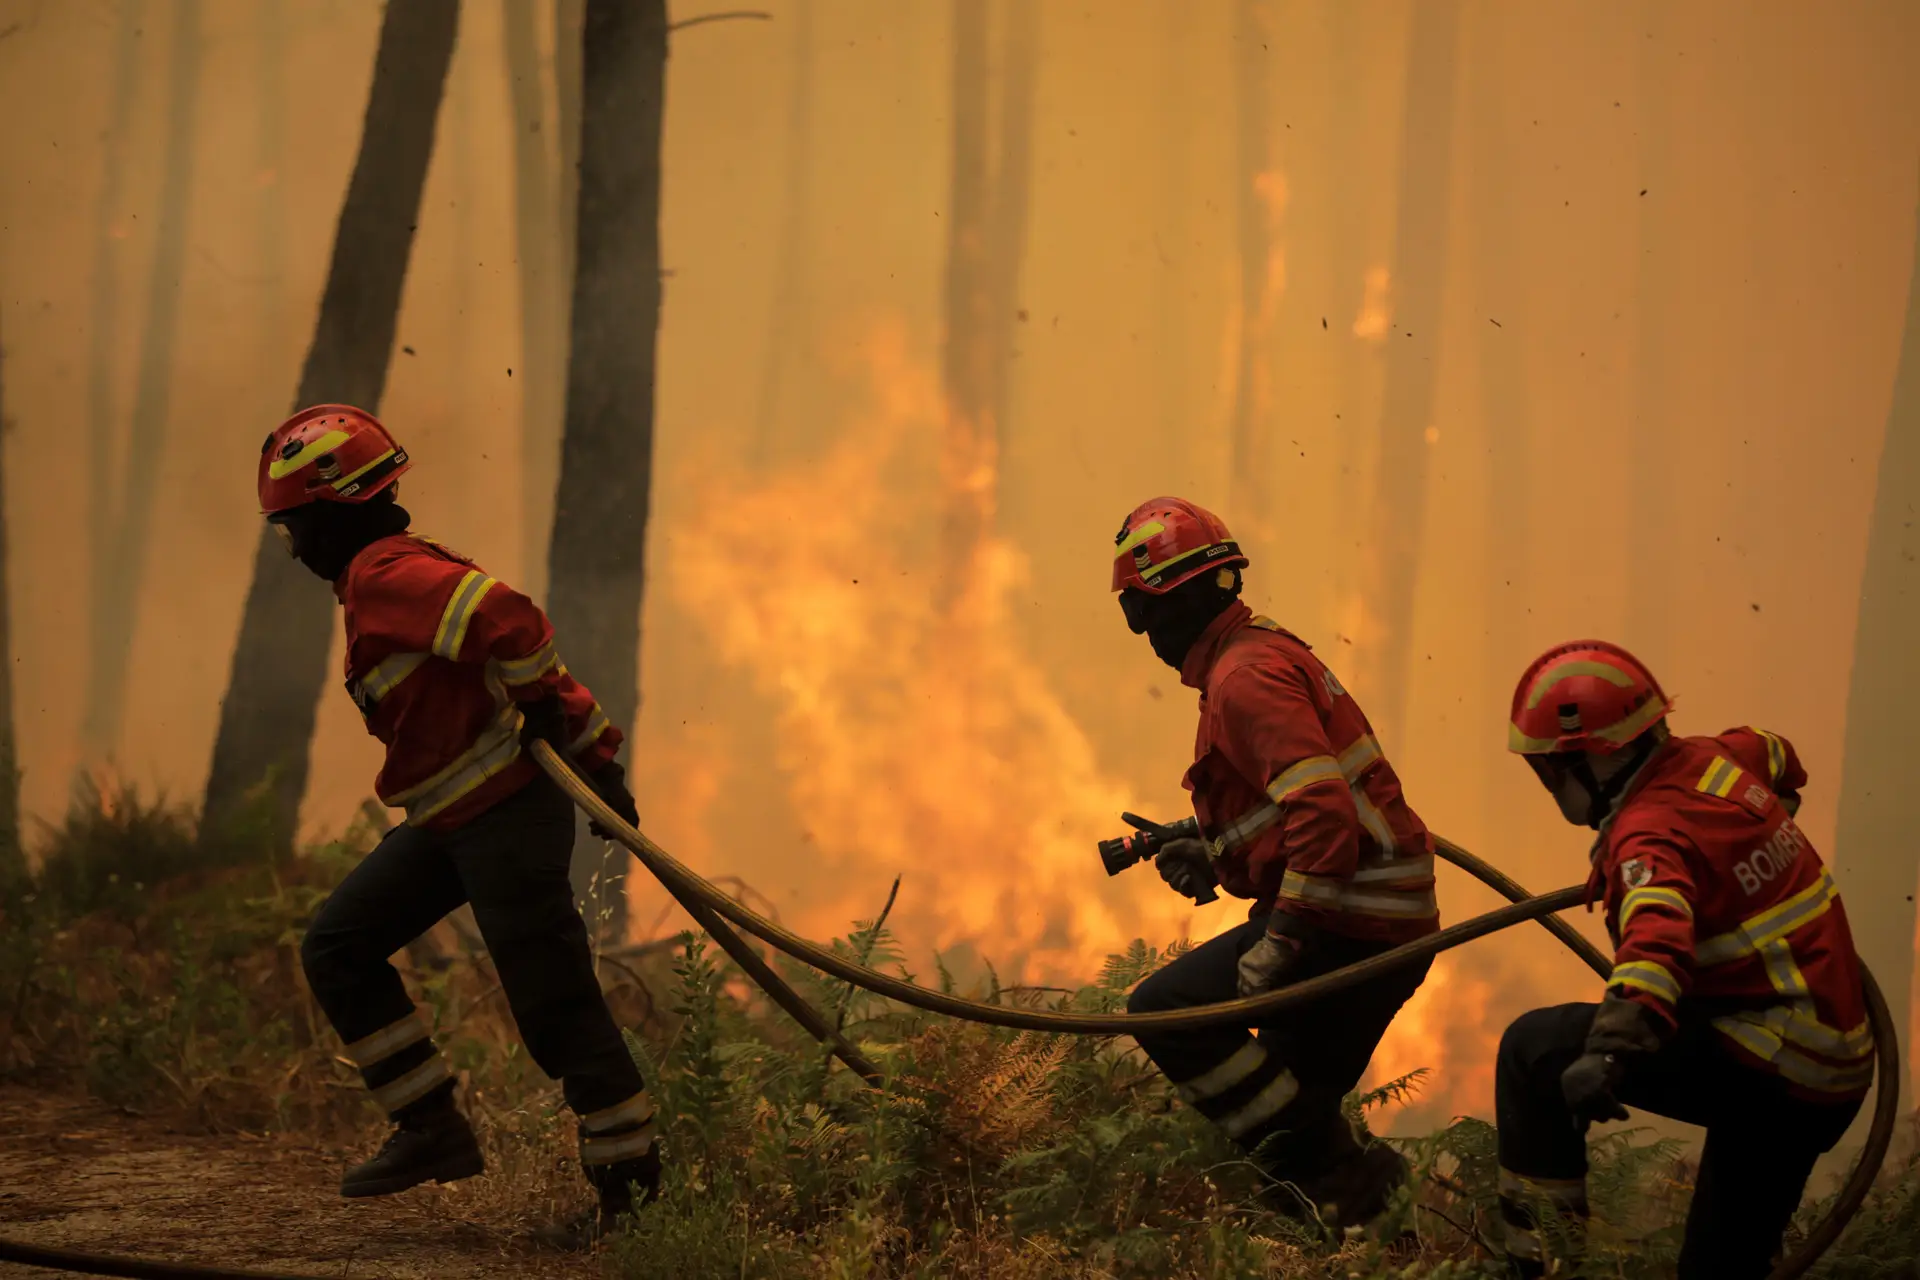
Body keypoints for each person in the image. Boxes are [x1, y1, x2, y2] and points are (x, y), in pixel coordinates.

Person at [261, 405, 658, 1242]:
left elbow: (511, 620)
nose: (291, 548)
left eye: (290, 526)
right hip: (452, 820)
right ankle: (432, 1128)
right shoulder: (382, 575)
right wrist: (598, 759)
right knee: (339, 944)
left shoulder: (384, 575)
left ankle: (635, 1199)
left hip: (505, 821)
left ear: (329, 512)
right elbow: (522, 661)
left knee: (556, 1007)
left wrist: (569, 739)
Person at [1494, 640, 1872, 1278]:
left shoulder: (1651, 836)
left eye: (1550, 767)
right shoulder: (1719, 759)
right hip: (1823, 1060)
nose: (1548, 783)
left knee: (1534, 1049)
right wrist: (1760, 828)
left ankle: (1543, 1265)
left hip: (1772, 1070)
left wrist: (1607, 1053)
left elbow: (1656, 949)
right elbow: (1776, 750)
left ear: (1593, 758)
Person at [1113, 497, 1439, 1227]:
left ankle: (1352, 1178)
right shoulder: (1254, 656)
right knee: (1284, 1126)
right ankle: (1373, 1226)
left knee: (1167, 1011)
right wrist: (1219, 854)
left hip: (1352, 924)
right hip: (1375, 916)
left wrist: (1285, 938)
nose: (1141, 633)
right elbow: (1290, 812)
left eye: (1139, 611)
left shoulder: (1242, 680)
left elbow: (1322, 813)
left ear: (1167, 604)